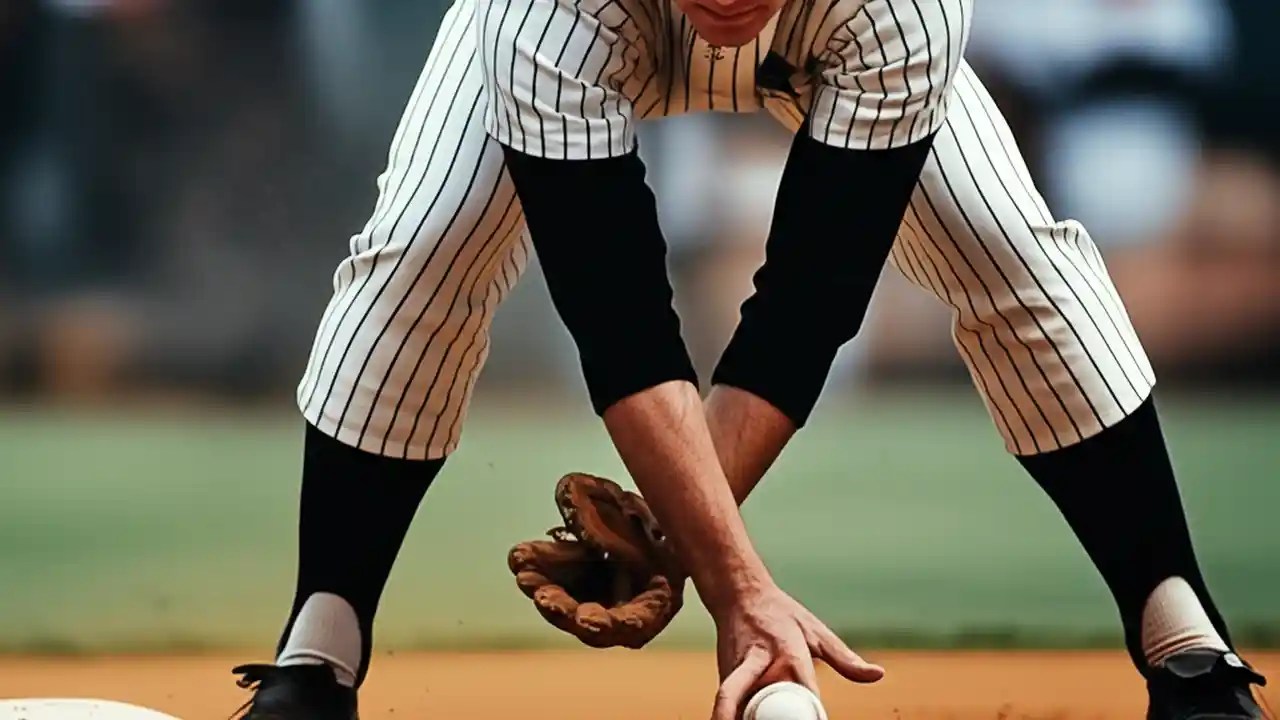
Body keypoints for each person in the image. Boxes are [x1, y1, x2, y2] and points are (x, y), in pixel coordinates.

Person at [229, 0, 1268, 717]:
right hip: (593, 21)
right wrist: (735, 584)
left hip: (835, 28)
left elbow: (807, 304)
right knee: (424, 247)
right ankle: (321, 644)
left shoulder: (905, 8)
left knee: (1008, 250)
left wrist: (672, 534)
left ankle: (1180, 632)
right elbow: (619, 318)